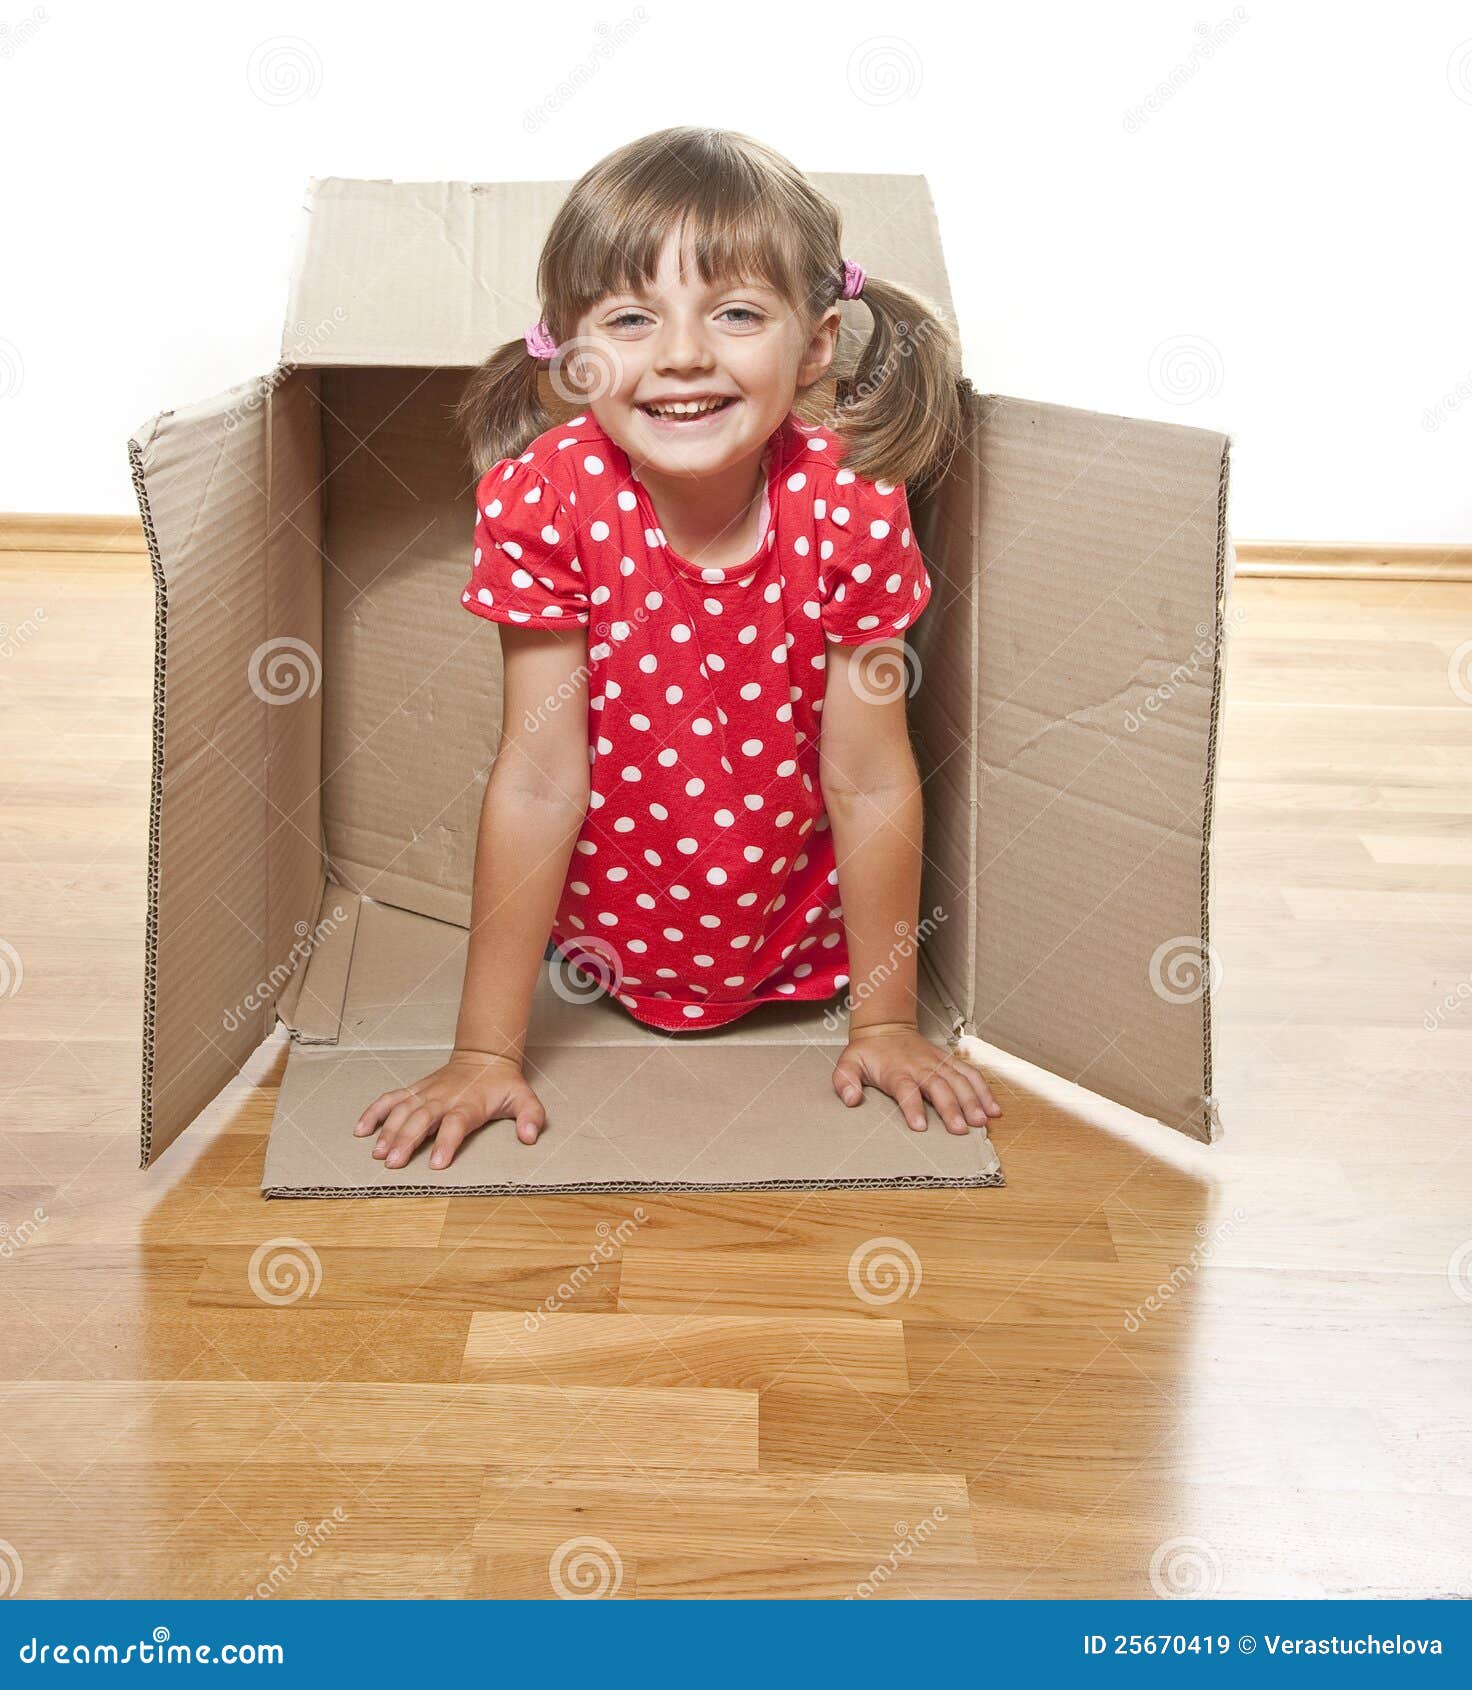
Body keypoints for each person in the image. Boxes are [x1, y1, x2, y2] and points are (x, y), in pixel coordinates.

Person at [354, 126, 1003, 1171]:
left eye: (736, 312)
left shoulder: (851, 507)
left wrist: (883, 1022)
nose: (683, 355)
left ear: (819, 339)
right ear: (569, 348)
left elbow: (871, 774)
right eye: (629, 317)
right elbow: (536, 776)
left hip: (804, 954)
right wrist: (482, 1049)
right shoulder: (545, 501)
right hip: (600, 954)